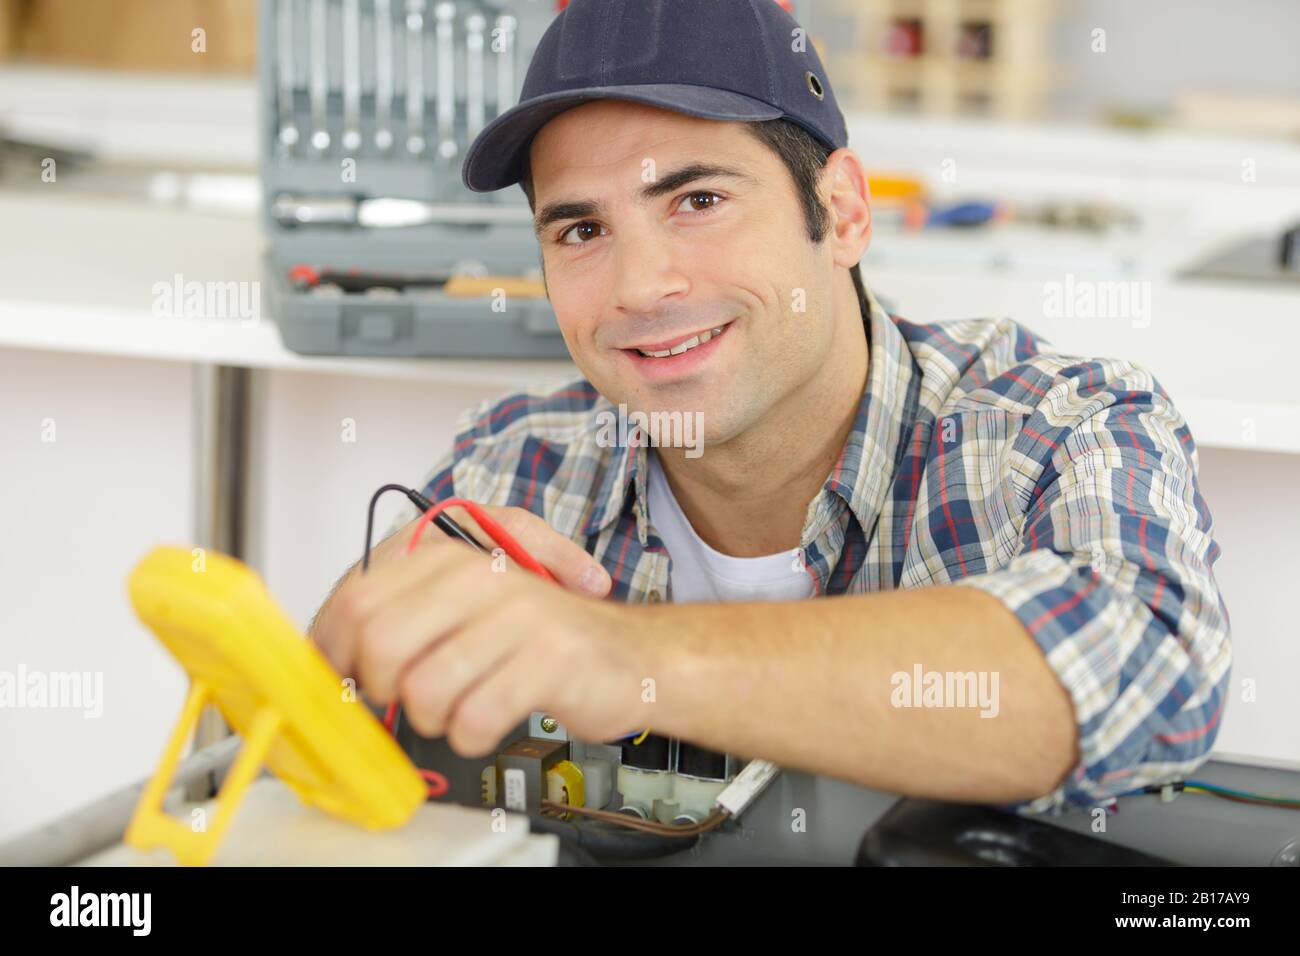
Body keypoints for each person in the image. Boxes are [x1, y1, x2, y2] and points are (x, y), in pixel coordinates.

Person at [310, 0, 1230, 813]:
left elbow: (1143, 676)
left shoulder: (1052, 431)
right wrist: (344, 664)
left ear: (843, 212)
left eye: (698, 199)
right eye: (582, 229)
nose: (642, 287)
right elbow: (314, 784)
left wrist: (623, 656)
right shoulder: (511, 469)